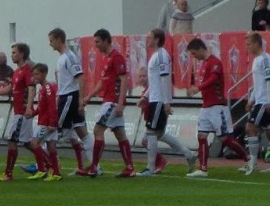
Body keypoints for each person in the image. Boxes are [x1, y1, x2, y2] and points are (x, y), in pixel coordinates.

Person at [188, 38, 248, 178]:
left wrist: (198, 88)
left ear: (201, 49)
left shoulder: (215, 62)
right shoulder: (204, 64)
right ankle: (203, 169)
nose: (193, 56)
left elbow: (213, 80)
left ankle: (248, 159)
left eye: (194, 53)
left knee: (224, 138)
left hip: (217, 107)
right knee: (201, 135)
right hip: (206, 107)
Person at [139, 28, 191, 175]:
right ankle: (189, 154)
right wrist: (145, 96)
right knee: (158, 134)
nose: (147, 39)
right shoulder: (155, 55)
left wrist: (166, 102)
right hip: (155, 99)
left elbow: (165, 79)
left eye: (149, 37)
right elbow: (155, 82)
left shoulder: (161, 55)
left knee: (150, 134)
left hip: (159, 101)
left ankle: (150, 167)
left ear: (157, 39)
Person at [88, 29, 136, 178]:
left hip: (112, 102)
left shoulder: (117, 57)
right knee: (120, 133)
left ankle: (94, 167)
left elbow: (124, 80)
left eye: (97, 42)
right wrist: (89, 96)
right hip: (109, 101)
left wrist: (120, 103)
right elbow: (103, 82)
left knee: (98, 130)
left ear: (106, 41)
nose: (95, 45)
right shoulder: (106, 58)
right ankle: (129, 167)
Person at [47, 28, 91, 174]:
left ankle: (46, 165)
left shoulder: (69, 57)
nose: (50, 44)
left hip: (70, 97)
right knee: (81, 132)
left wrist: (81, 100)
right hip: (66, 96)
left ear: (59, 39)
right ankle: (94, 166)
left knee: (52, 130)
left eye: (51, 40)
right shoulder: (61, 58)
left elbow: (81, 77)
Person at [242, 31, 270, 174]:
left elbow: (269, 79)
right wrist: (252, 99)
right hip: (261, 99)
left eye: (248, 44)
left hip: (265, 101)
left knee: (250, 127)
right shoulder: (257, 59)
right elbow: (258, 83)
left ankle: (252, 163)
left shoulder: (265, 59)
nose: (247, 47)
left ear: (256, 43)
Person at [0, 42, 37, 181]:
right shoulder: (17, 72)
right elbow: (10, 89)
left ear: (22, 54)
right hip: (18, 112)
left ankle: (8, 173)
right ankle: (48, 163)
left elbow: (32, 88)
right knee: (26, 142)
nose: (12, 55)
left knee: (12, 140)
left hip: (22, 112)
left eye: (14, 52)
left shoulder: (27, 70)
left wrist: (28, 107)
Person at [26, 63, 64, 182]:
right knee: (51, 146)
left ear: (44, 74)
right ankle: (56, 173)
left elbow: (52, 107)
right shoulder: (43, 89)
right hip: (47, 121)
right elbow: (43, 108)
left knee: (34, 143)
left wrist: (52, 123)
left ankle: (42, 169)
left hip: (46, 123)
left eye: (37, 74)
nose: (34, 77)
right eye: (33, 74)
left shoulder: (47, 88)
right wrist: (32, 113)